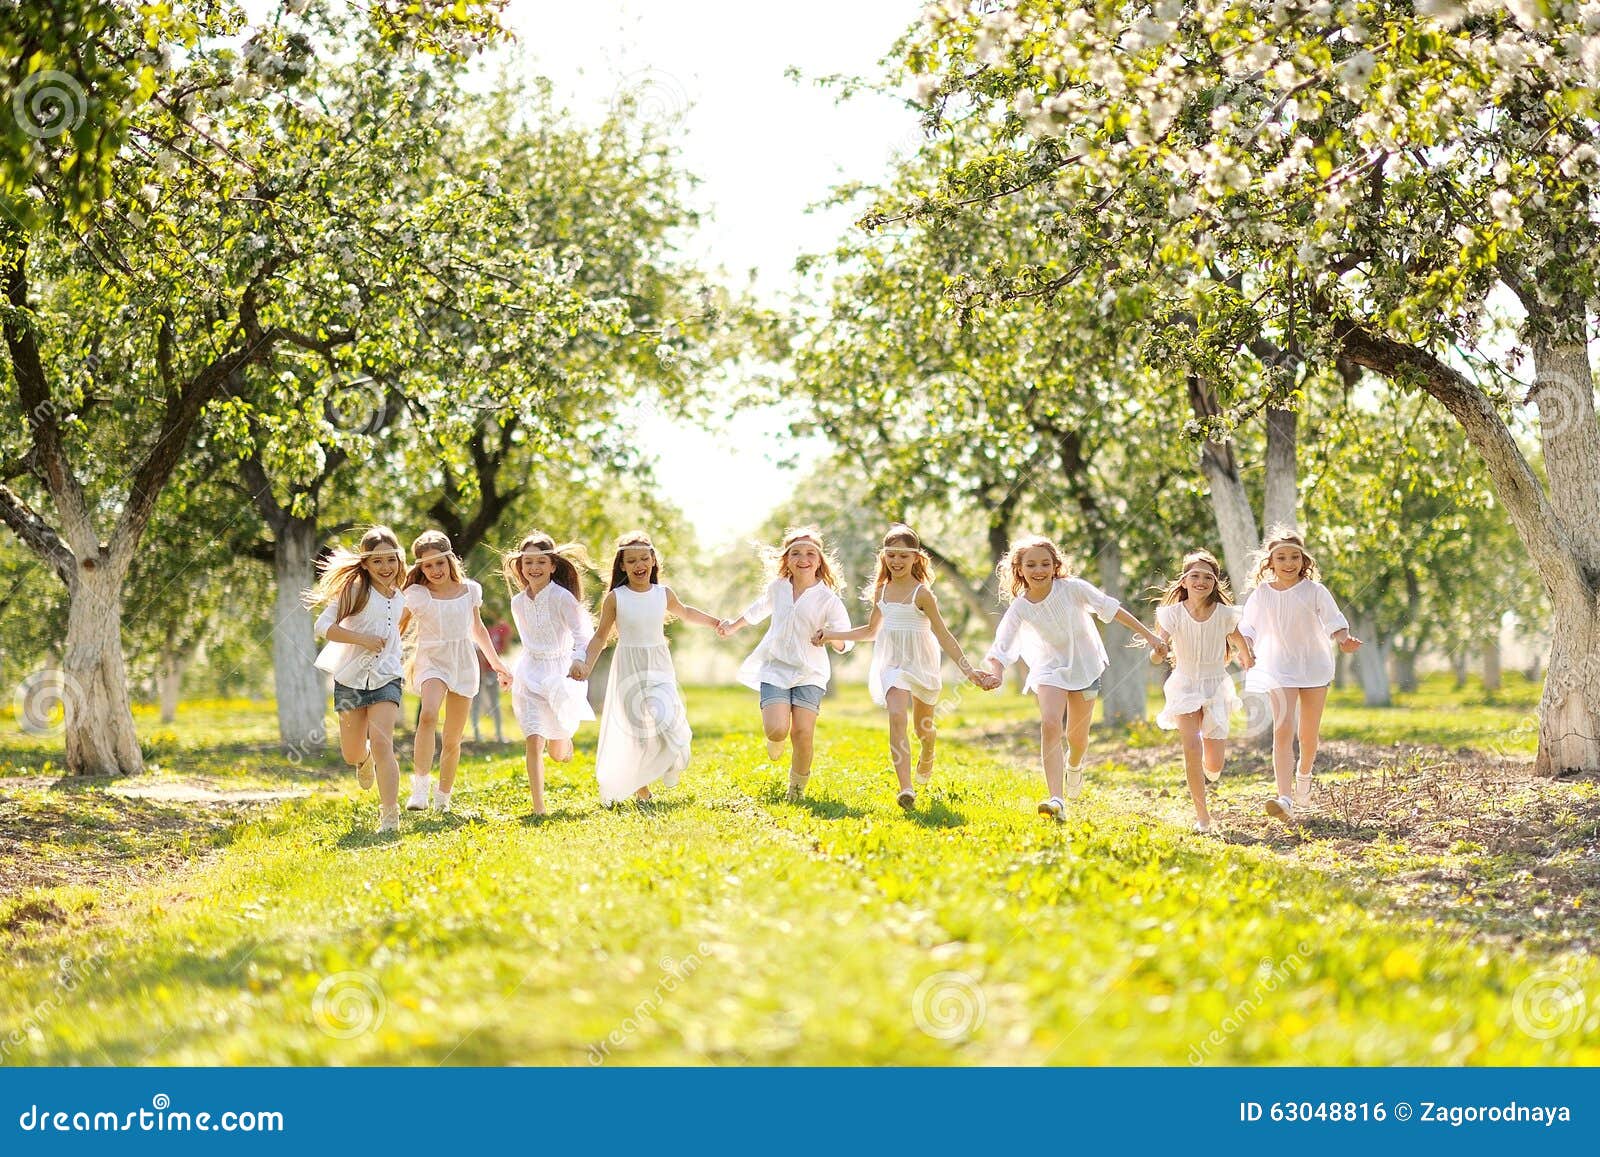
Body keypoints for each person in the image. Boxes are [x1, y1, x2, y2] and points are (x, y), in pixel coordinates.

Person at [976, 534, 1166, 821]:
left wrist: (1151, 637)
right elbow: (1001, 645)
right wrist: (997, 673)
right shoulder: (1020, 606)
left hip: (1085, 666)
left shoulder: (1073, 589)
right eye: (1031, 565)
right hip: (1049, 668)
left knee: (1077, 738)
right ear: (1019, 570)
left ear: (1055, 566)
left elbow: (1113, 610)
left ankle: (1074, 764)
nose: (1038, 570)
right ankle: (1056, 799)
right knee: (1051, 723)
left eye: (1044, 563)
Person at [813, 524, 987, 809]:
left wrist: (968, 670)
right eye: (891, 555)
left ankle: (928, 749)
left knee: (922, 729)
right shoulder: (881, 591)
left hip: (922, 662)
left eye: (903, 556)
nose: (896, 561)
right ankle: (906, 788)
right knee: (896, 715)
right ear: (884, 557)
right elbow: (871, 631)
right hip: (892, 662)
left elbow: (943, 633)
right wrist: (832, 635)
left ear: (916, 558)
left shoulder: (922, 594)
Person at [574, 531, 720, 805]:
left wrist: (715, 623)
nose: (639, 565)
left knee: (667, 719)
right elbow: (600, 637)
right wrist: (585, 665)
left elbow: (686, 611)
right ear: (622, 565)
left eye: (644, 558)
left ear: (653, 561)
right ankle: (643, 792)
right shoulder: (616, 598)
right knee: (637, 729)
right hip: (628, 665)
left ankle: (663, 762)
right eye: (632, 561)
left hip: (658, 664)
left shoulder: (663, 594)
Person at [718, 526, 853, 803]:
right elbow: (757, 610)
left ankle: (797, 789)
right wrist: (734, 626)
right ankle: (775, 738)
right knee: (778, 729)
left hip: (810, 672)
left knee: (802, 732)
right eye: (796, 553)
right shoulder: (778, 588)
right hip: (775, 667)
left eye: (810, 554)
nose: (803, 559)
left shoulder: (828, 598)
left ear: (819, 561)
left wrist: (831, 638)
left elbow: (845, 637)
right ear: (787, 559)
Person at [1239, 527, 1362, 824]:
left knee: (1307, 735)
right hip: (1277, 668)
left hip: (1314, 666)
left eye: (1294, 557)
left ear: (1304, 559)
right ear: (1270, 562)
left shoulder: (1315, 591)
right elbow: (1248, 628)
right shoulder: (1262, 594)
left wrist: (1344, 640)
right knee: (1282, 732)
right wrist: (1246, 649)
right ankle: (1284, 798)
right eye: (1281, 557)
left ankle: (1304, 776)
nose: (1288, 563)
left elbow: (1335, 622)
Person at [399, 530, 511, 813]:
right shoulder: (417, 594)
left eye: (439, 563)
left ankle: (443, 798)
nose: (435, 570)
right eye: (427, 565)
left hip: (463, 661)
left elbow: (478, 629)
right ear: (420, 568)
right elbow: (396, 628)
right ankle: (420, 788)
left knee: (452, 737)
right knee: (428, 715)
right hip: (432, 659)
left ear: (450, 561)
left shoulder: (470, 590)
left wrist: (497, 664)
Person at [305, 527, 407, 833]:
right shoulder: (354, 591)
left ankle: (390, 816)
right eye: (377, 562)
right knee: (352, 752)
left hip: (387, 676)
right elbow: (323, 627)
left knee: (382, 743)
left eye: (391, 559)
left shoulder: (400, 596)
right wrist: (361, 639)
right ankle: (362, 760)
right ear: (365, 564)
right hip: (350, 679)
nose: (386, 567)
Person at [1149, 550, 1255, 835]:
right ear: (1183, 581)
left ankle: (1210, 771)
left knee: (1215, 764)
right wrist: (1158, 653)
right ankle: (1203, 817)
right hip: (1184, 683)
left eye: (1208, 577)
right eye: (1194, 576)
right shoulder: (1171, 614)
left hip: (1216, 684)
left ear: (1215, 582)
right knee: (1191, 748)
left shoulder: (1223, 614)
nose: (1201, 581)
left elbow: (1237, 638)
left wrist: (1247, 655)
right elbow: (1160, 645)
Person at [503, 531, 594, 816]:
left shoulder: (562, 598)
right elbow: (528, 641)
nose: (534, 568)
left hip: (560, 674)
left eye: (540, 561)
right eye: (528, 562)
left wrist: (579, 662)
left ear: (553, 565)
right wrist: (510, 672)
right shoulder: (517, 603)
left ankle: (565, 739)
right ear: (521, 566)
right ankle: (538, 808)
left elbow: (584, 635)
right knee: (533, 738)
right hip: (529, 673)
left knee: (557, 752)